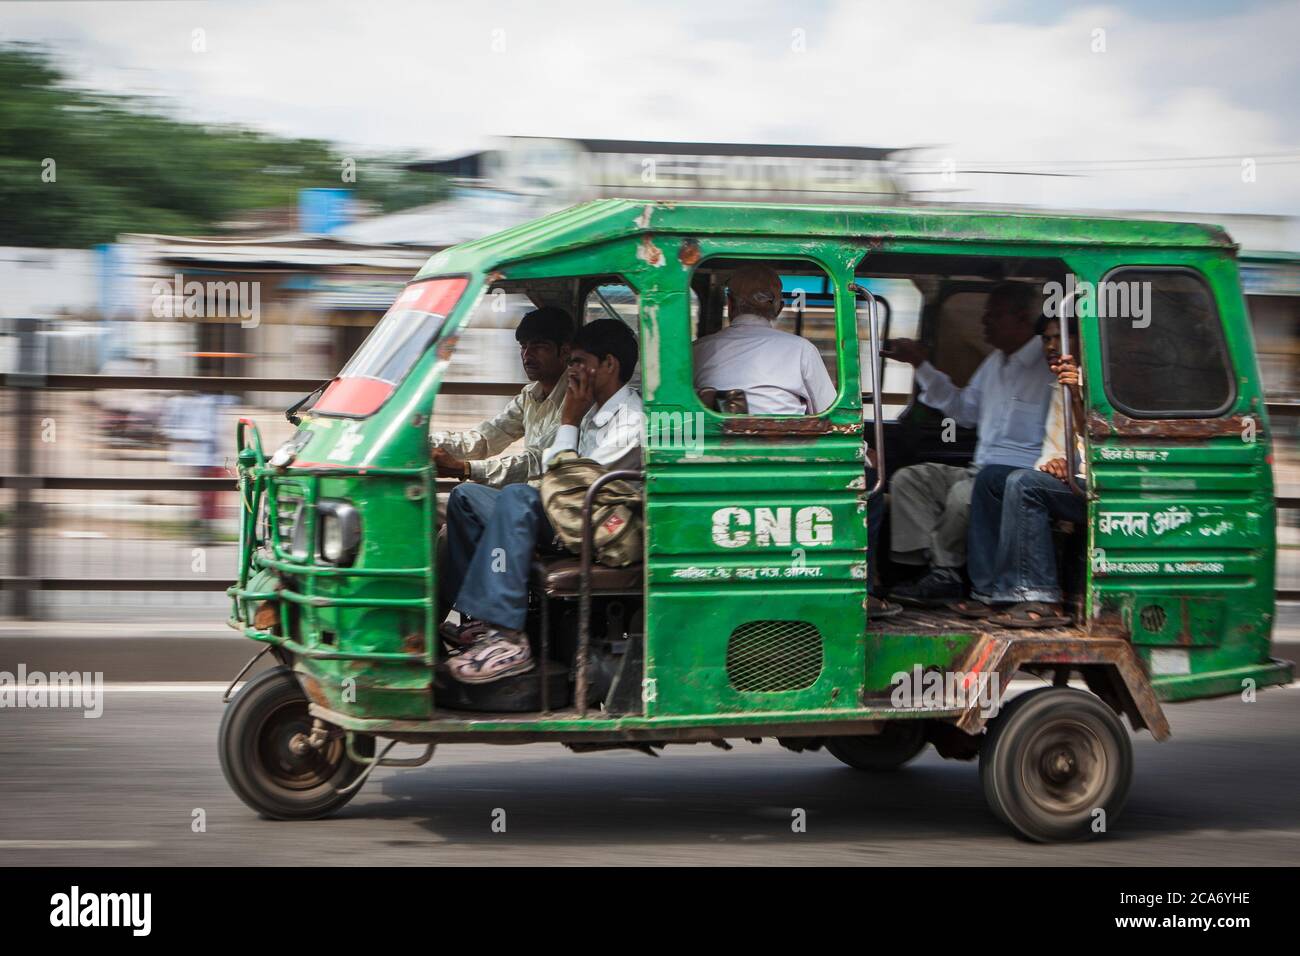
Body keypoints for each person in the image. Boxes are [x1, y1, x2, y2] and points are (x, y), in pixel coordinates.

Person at [442, 319, 643, 684]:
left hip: (593, 522)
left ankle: (508, 637)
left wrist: (568, 418)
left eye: (580, 362)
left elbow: (566, 482)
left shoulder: (630, 419)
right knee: (466, 497)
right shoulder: (588, 409)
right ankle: (479, 619)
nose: (573, 372)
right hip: (566, 510)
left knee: (518, 497)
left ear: (609, 365)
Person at [884, 282, 1057, 606]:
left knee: (965, 494)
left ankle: (946, 574)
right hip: (978, 470)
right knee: (909, 480)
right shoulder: (994, 363)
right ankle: (933, 572)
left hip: (1019, 479)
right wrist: (919, 364)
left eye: (993, 315)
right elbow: (963, 411)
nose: (984, 322)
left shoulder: (1047, 366)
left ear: (1020, 318)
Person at [959, 314, 1086, 627]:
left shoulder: (1093, 379)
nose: (1052, 346)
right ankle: (989, 592)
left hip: (1097, 484)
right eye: (1046, 339)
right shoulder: (1059, 382)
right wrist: (1054, 463)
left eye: (1059, 338)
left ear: (1082, 340)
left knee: (1024, 483)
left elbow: (1095, 436)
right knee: (990, 478)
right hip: (1070, 478)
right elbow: (1056, 446)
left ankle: (1040, 597)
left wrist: (1077, 393)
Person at [429, 306, 573, 487]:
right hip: (530, 497)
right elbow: (486, 438)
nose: (527, 355)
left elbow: (537, 461)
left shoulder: (575, 399)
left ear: (565, 351)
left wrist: (466, 469)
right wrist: (426, 442)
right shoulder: (529, 396)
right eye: (524, 346)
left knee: (466, 493)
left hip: (553, 501)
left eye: (539, 347)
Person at [693, 264, 836, 415]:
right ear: (779, 308)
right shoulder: (803, 349)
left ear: (730, 303)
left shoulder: (696, 349)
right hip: (787, 438)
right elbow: (829, 412)